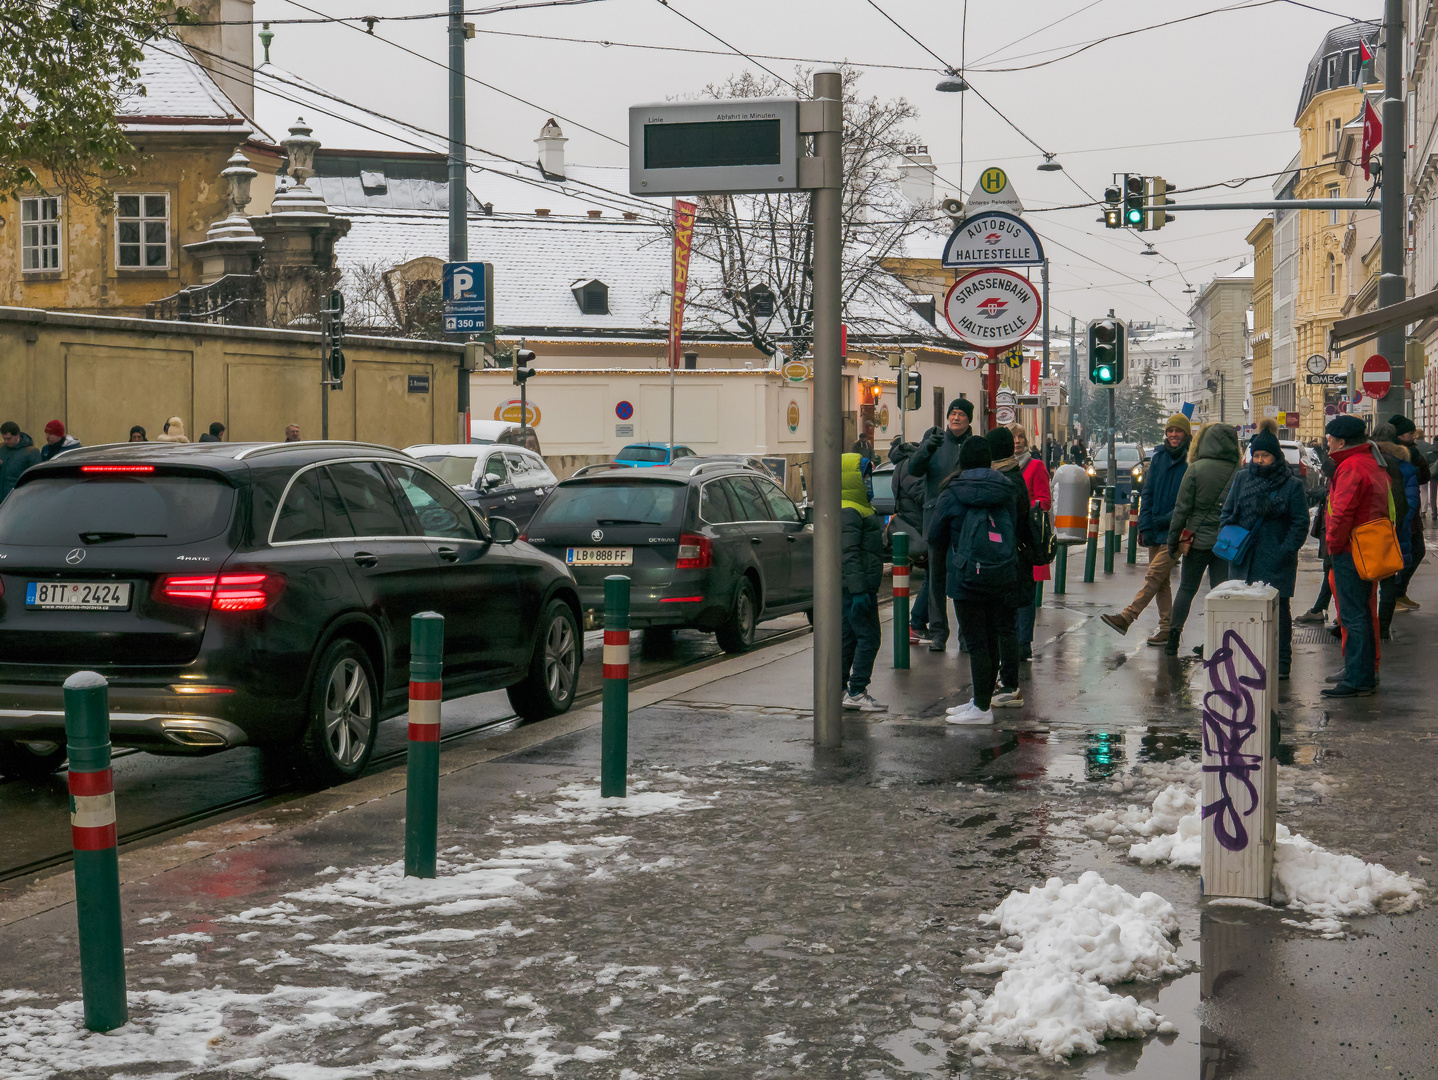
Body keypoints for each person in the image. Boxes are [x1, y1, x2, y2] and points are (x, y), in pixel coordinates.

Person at [928, 437, 1034, 725]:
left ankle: (982, 709)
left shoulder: (952, 490)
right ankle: (981, 700)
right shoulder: (1006, 487)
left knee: (977, 643)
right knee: (992, 638)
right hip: (1001, 572)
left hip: (966, 576)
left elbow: (935, 534)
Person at [1218, 423, 1309, 679]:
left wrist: (1286, 549)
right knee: (1243, 610)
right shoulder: (1242, 477)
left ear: (1275, 457)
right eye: (1256, 455)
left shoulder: (1291, 485)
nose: (1259, 460)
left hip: (1276, 557)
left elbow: (1300, 522)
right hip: (1242, 557)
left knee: (1278, 611)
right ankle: (1246, 660)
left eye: (1265, 456)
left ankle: (1281, 664)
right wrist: (1228, 535)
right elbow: (1227, 511)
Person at [1101, 414, 1192, 644]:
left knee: (1154, 576)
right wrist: (1144, 525)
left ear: (1186, 434)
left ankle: (1127, 617)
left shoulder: (1191, 460)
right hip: (1155, 529)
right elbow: (1147, 492)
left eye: (1178, 431)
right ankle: (1167, 631)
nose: (1173, 435)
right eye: (1170, 430)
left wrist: (1165, 521)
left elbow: (1188, 502)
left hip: (1177, 532)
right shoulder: (1159, 457)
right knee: (1161, 581)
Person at [1322, 414, 1391, 697]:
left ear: (1340, 441)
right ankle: (1364, 675)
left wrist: (1332, 545)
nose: (1327, 446)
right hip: (1367, 548)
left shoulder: (1350, 467)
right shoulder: (1371, 463)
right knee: (1363, 612)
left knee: (1352, 616)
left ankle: (1356, 679)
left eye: (1329, 440)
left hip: (1351, 549)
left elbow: (1341, 512)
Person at [1162, 422, 1240, 655]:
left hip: (1195, 540)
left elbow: (1181, 509)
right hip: (1225, 541)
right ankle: (1215, 641)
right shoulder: (1239, 471)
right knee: (1220, 592)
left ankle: (1173, 638)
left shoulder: (1195, 469)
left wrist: (1173, 541)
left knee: (1187, 588)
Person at [906, 398, 975, 652]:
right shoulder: (934, 441)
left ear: (969, 420)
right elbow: (913, 469)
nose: (956, 418)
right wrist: (925, 448)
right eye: (953, 414)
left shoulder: (973, 444)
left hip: (965, 520)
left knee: (963, 577)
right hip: (935, 518)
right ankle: (938, 633)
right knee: (935, 578)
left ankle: (966, 635)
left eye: (961, 414)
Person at [840, 453, 886, 712]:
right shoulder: (850, 509)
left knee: (849, 637)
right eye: (865, 475)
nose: (869, 481)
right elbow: (849, 554)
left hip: (856, 587)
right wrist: (859, 591)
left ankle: (842, 689)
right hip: (858, 588)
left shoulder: (857, 506)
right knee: (869, 637)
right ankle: (857, 689)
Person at [1009, 424, 1050, 664]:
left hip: (1028, 538)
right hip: (1008, 537)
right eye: (1013, 437)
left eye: (1021, 437)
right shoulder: (1002, 466)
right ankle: (1011, 639)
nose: (1017, 441)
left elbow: (1044, 501)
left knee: (1025, 594)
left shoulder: (1036, 466)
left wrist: (1027, 509)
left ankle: (1024, 643)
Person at [1370, 423, 1415, 640]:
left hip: (1367, 532)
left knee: (1364, 582)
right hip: (1392, 530)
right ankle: (1384, 627)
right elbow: (1408, 503)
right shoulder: (1403, 464)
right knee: (1388, 581)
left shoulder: (1366, 462)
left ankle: (1366, 625)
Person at [888, 434, 932, 644]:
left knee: (932, 578)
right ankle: (916, 623)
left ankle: (919, 622)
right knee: (932, 578)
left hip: (918, 524)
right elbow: (923, 494)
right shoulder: (909, 465)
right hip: (919, 526)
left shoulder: (905, 462)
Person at [1295, 453, 1340, 626]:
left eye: (1332, 440)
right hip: (1329, 528)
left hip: (1334, 531)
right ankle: (1320, 609)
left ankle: (1329, 612)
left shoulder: (1343, 466)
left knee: (1333, 570)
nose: (1329, 444)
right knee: (1330, 570)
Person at [1389, 415, 1428, 610]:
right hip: (1404, 511)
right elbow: (1420, 476)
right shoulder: (1403, 454)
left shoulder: (1410, 452)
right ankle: (1394, 594)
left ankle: (1398, 593)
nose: (1413, 435)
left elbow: (1423, 476)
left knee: (1415, 552)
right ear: (1401, 434)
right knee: (1412, 551)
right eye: (1410, 432)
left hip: (1409, 510)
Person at [0, 422, 40, 502]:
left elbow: (36, 479)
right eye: (4, 438)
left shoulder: (31, 452)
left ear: (17, 435)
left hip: (18, 500)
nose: (6, 441)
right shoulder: (1, 449)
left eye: (9, 438)